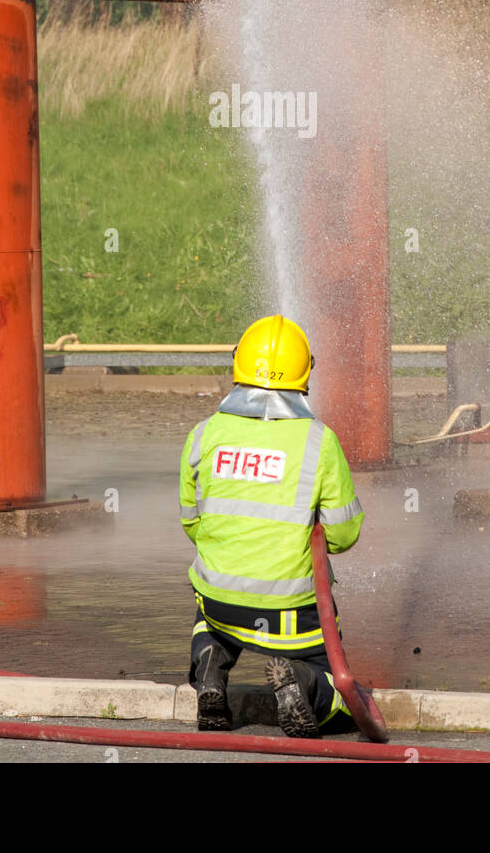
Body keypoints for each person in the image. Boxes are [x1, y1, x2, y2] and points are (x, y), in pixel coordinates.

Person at [179, 314, 364, 738]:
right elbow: (343, 535)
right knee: (338, 697)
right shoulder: (319, 441)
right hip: (292, 616)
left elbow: (191, 522)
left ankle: (210, 665)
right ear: (305, 373)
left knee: (206, 608)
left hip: (222, 605)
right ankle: (303, 681)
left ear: (238, 363)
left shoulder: (204, 434)